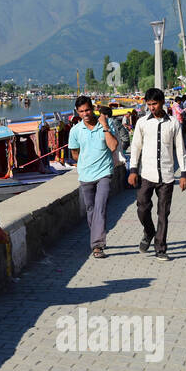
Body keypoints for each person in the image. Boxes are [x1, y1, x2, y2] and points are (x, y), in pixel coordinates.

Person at [128, 88, 186, 261]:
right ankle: (149, 232)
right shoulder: (142, 123)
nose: (152, 108)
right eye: (149, 105)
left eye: (154, 104)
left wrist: (184, 173)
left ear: (162, 102)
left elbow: (180, 149)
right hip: (146, 174)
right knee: (142, 207)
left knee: (163, 213)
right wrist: (133, 170)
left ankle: (160, 248)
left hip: (167, 175)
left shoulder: (173, 124)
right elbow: (136, 148)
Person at [67, 95, 120, 258]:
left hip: (104, 172)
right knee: (90, 209)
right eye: (82, 111)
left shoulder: (107, 124)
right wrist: (85, 161)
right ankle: (96, 237)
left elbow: (113, 146)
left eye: (88, 110)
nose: (86, 114)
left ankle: (97, 245)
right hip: (85, 174)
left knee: (100, 207)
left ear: (93, 108)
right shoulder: (75, 131)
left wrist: (104, 126)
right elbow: (75, 153)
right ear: (77, 112)